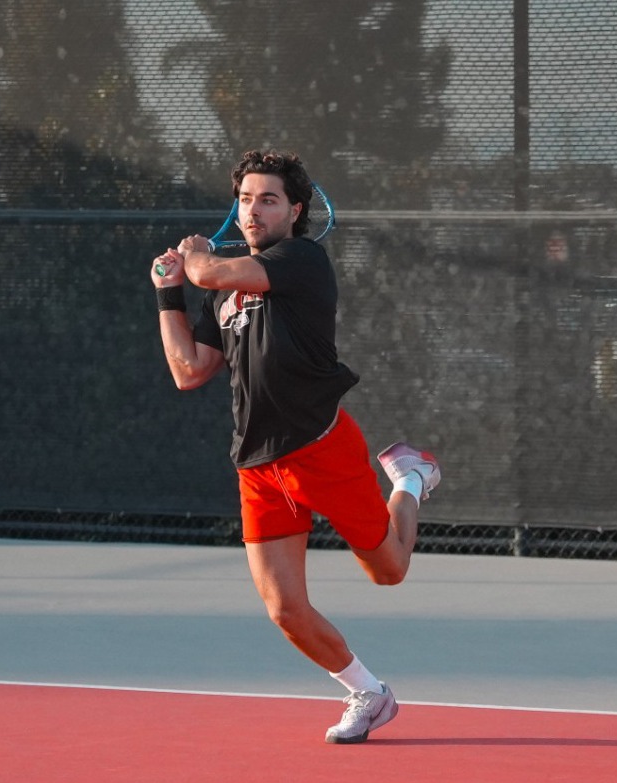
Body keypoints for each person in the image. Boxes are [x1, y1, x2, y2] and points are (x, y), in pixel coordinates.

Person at [149, 149, 440, 744]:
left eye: (268, 199)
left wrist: (198, 258)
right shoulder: (221, 293)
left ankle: (410, 478)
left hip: (321, 447)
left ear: (295, 210)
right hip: (258, 466)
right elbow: (187, 370)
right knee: (284, 610)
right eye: (246, 199)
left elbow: (212, 270)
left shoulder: (301, 260)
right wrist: (168, 294)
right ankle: (368, 692)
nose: (253, 210)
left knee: (388, 571)